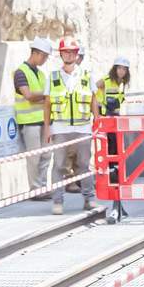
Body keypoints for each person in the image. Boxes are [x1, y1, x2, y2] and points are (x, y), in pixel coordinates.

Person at [46, 37, 95, 215]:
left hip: (83, 128)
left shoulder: (87, 75)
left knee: (84, 165)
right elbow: (47, 104)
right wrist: (47, 128)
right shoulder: (53, 77)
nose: (69, 55)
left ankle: (89, 199)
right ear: (61, 54)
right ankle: (58, 201)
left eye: (72, 52)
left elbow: (94, 100)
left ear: (77, 54)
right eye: (65, 52)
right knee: (59, 165)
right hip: (60, 128)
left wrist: (97, 121)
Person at [12, 36, 54, 200]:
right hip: (29, 123)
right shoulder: (20, 72)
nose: (45, 60)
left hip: (45, 121)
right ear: (35, 53)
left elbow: (46, 97)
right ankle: (35, 189)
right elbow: (28, 95)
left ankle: (42, 187)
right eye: (44, 56)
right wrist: (45, 95)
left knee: (46, 155)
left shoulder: (41, 74)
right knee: (34, 157)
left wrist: (45, 97)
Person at [93, 56, 131, 222]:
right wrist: (97, 117)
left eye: (124, 69)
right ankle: (111, 178)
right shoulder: (106, 81)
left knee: (116, 154)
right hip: (106, 121)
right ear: (114, 69)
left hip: (115, 121)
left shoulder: (121, 84)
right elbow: (93, 93)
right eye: (119, 68)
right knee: (110, 154)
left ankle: (115, 179)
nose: (121, 71)